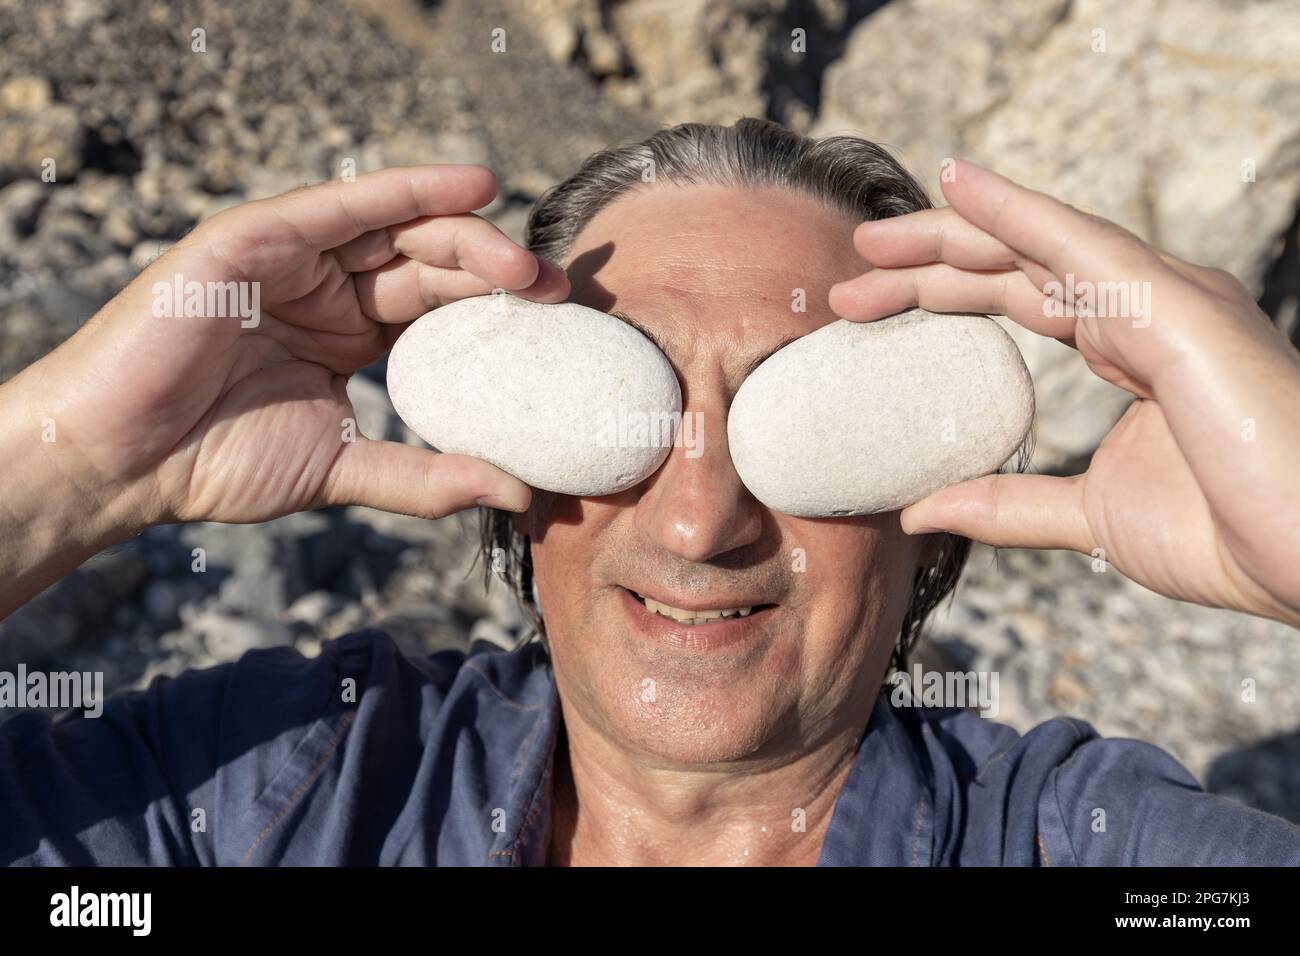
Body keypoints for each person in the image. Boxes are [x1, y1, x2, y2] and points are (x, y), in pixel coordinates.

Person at [1, 119, 1297, 866]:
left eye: (809, 418)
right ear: (512, 471)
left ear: (933, 500)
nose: (701, 521)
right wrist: (68, 470)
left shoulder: (1084, 848)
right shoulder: (292, 792)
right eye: (625, 411)